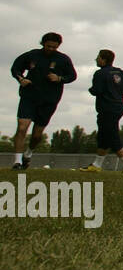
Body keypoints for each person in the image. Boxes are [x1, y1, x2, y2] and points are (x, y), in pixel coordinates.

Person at [10, 32, 76, 170]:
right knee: (22, 128)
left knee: (36, 135)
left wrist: (59, 78)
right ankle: (17, 162)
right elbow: (15, 68)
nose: (51, 49)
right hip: (29, 96)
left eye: (54, 47)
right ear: (43, 43)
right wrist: (21, 79)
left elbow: (72, 76)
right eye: (48, 46)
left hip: (49, 100)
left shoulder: (63, 59)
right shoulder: (32, 55)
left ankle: (28, 154)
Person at [81, 49, 123, 172]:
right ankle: (96, 165)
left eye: (98, 57)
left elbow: (97, 90)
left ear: (103, 59)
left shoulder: (100, 73)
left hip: (106, 107)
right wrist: (117, 92)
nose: (96, 59)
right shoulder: (121, 72)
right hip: (119, 106)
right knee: (103, 135)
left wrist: (91, 90)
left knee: (112, 135)